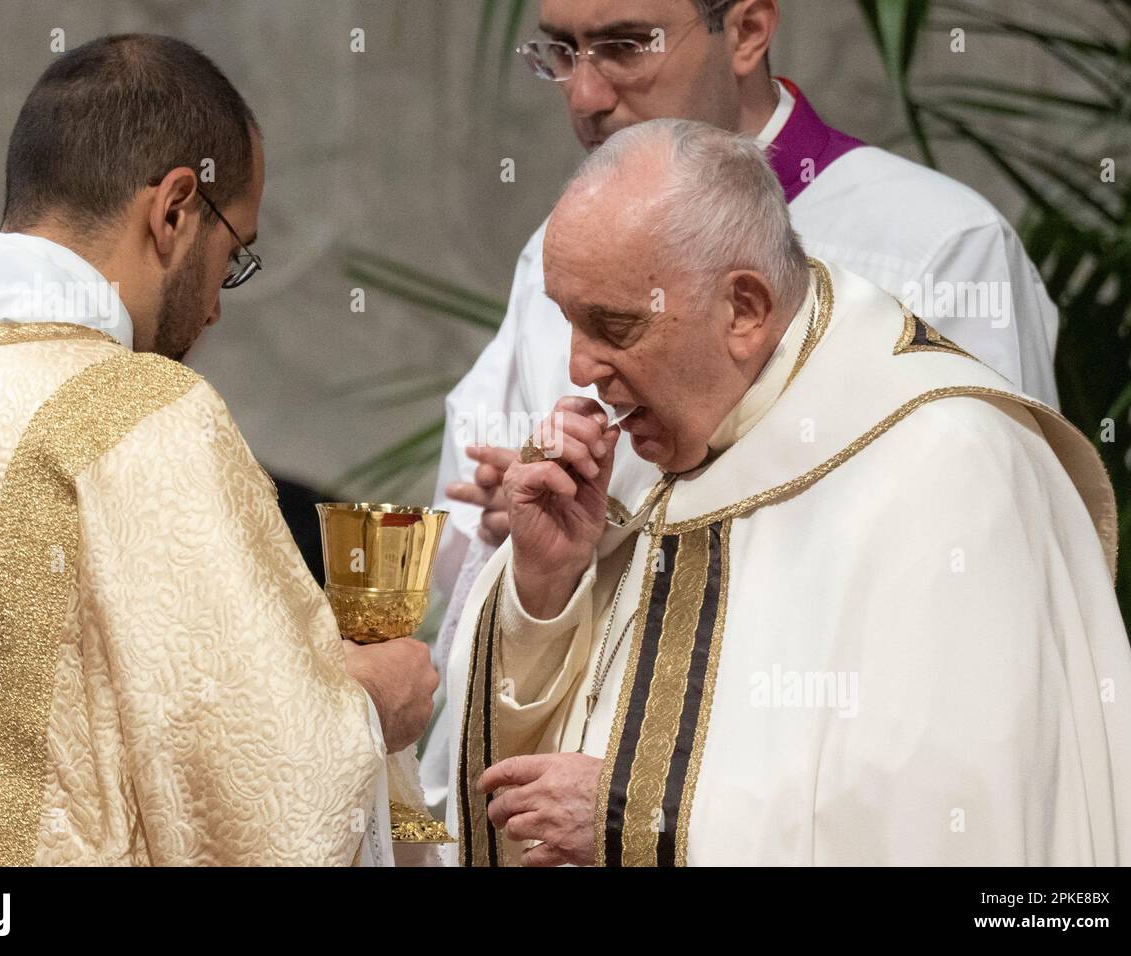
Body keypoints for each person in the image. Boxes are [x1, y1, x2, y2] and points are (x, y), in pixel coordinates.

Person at [444, 120, 1131, 866]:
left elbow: (955, 827)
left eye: (613, 327)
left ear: (745, 311)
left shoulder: (950, 467)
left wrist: (644, 822)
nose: (580, 368)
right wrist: (546, 587)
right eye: (567, 320)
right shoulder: (643, 442)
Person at [423, 0, 1064, 809]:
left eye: (623, 46)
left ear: (750, 31)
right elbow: (461, 532)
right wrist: (510, 522)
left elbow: (995, 593)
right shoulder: (566, 244)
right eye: (560, 51)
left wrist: (677, 808)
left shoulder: (940, 247)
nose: (583, 95)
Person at [0, 34, 437, 866]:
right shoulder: (141, 419)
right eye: (231, 255)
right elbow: (256, 791)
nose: (214, 307)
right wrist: (367, 713)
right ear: (172, 209)